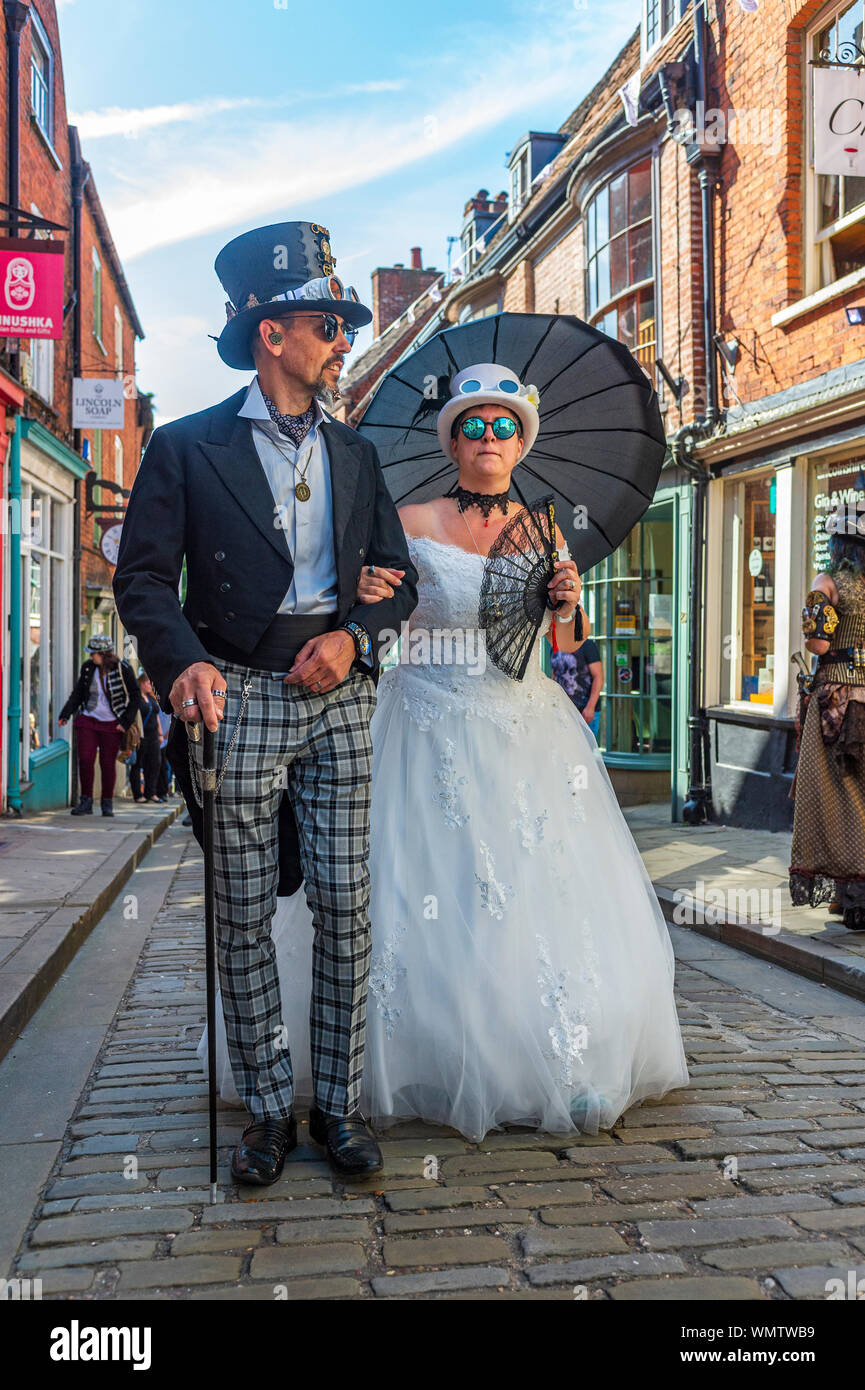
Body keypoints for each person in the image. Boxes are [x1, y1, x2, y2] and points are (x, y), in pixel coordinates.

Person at [202, 362, 689, 1142]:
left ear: (521, 442)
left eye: (504, 426)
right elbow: (381, 602)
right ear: (453, 438)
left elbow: (558, 639)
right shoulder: (415, 518)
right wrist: (364, 598)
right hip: (425, 717)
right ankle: (402, 1057)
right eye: (474, 425)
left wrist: (565, 604)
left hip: (526, 722)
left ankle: (547, 1058)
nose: (489, 438)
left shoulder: (545, 529)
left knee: (538, 890)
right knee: (412, 891)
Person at [113, 220, 418, 1185]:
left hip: (338, 696)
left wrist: (357, 636)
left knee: (346, 904)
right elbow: (144, 582)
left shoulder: (357, 454)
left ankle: (337, 1104)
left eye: (340, 322)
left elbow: (397, 578)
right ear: (269, 334)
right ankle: (263, 1109)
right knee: (241, 912)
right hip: (236, 695)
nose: (340, 338)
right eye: (325, 322)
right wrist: (181, 666)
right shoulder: (185, 446)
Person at [790, 504, 865, 931]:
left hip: (839, 698)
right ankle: (848, 895)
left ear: (836, 544)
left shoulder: (828, 583)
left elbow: (817, 646)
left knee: (839, 798)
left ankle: (853, 899)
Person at [58, 635, 140, 817]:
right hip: (88, 719)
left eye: (94, 653)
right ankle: (86, 801)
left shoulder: (122, 668)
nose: (91, 657)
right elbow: (78, 693)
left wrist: (124, 722)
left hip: (112, 723)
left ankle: (107, 803)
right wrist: (66, 714)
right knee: (86, 759)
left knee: (107, 763)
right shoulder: (88, 668)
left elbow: (135, 696)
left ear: (104, 653)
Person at [551, 637, 603, 738]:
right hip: (562, 711)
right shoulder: (554, 646)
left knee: (587, 750)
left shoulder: (587, 645)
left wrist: (590, 707)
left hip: (585, 711)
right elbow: (554, 676)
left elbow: (598, 677)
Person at [136, 673, 164, 802]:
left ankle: (151, 792)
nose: (150, 686)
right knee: (138, 764)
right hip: (141, 736)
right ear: (141, 683)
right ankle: (138, 794)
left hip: (153, 736)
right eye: (148, 683)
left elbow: (156, 717)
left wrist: (160, 733)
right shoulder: (136, 699)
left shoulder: (151, 699)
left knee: (155, 763)